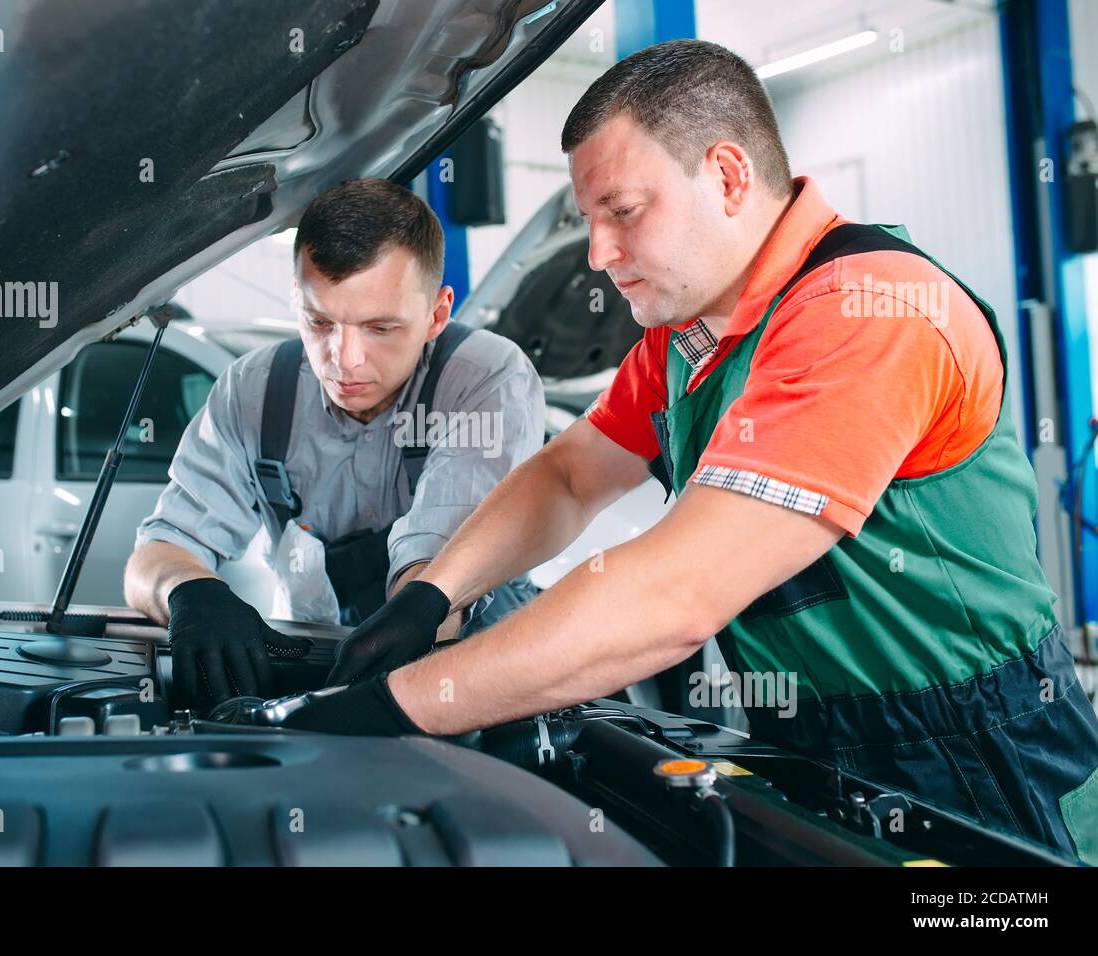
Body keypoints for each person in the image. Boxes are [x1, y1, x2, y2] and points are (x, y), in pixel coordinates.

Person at [285, 40, 1098, 864]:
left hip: (981, 763)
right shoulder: (689, 335)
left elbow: (677, 597)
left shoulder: (870, 313)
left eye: (623, 211)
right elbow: (569, 476)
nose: (598, 254)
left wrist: (401, 706)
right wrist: (431, 595)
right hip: (812, 743)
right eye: (588, 220)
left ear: (729, 176)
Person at [125, 178, 544, 712]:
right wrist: (187, 591)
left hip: (470, 671)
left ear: (437, 314)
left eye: (379, 327)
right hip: (318, 662)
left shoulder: (483, 377)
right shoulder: (253, 390)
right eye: (319, 321)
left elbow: (437, 576)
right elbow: (157, 553)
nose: (344, 360)